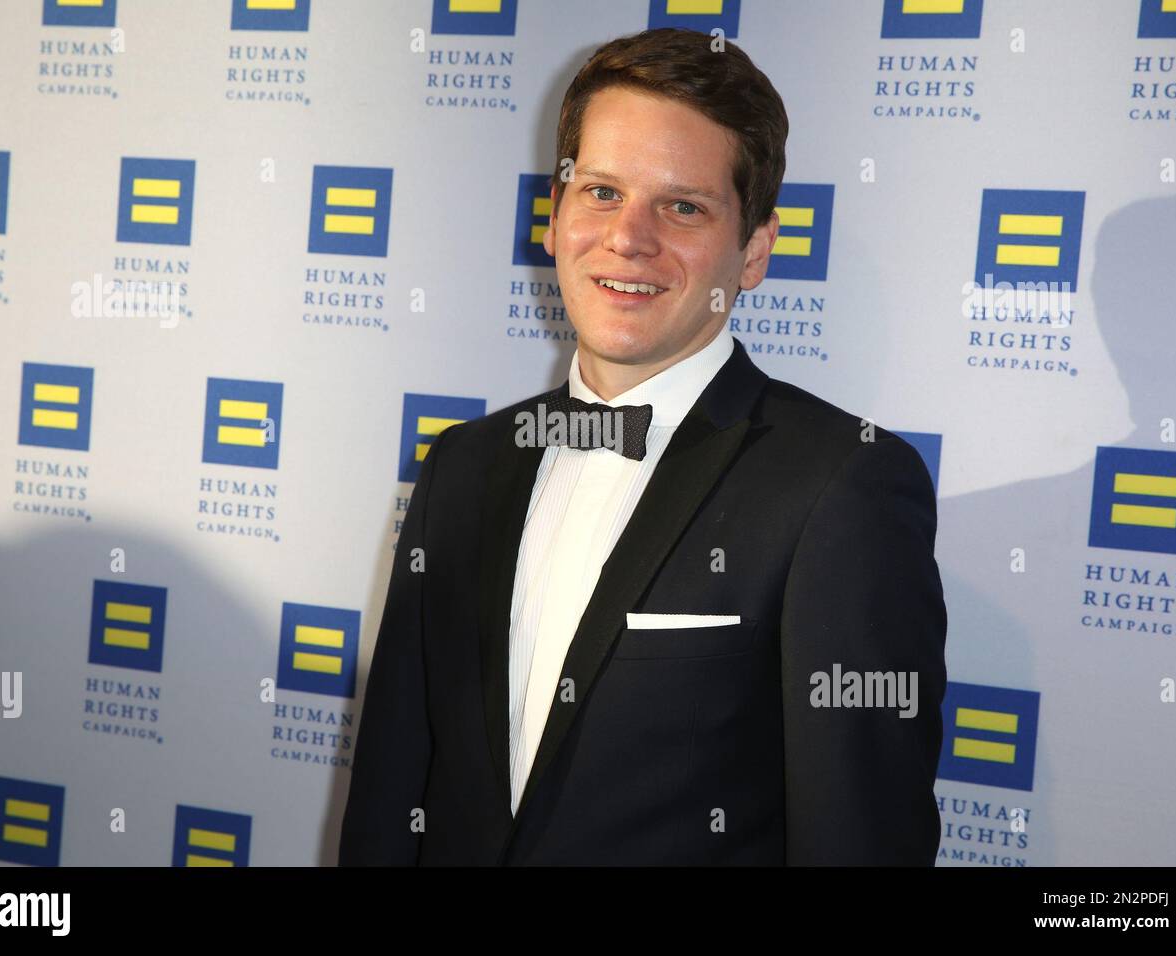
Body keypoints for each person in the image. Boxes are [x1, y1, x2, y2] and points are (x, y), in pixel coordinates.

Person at [339, 27, 947, 865]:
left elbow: (859, 840)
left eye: (684, 206)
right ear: (554, 217)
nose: (629, 237)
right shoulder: (463, 467)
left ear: (756, 250)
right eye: (600, 192)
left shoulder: (839, 488)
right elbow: (391, 791)